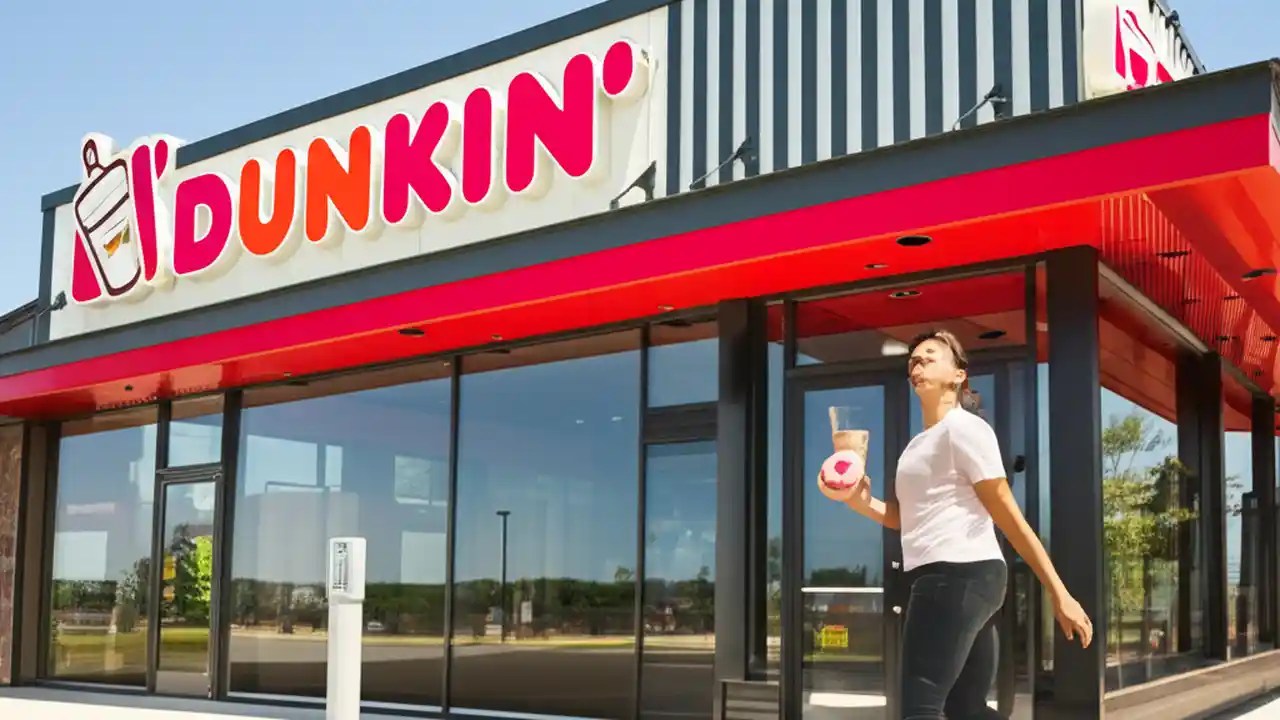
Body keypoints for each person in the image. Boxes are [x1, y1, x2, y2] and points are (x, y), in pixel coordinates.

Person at [817, 329, 1092, 720]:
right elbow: (906, 518)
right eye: (913, 360)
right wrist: (860, 502)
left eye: (929, 356)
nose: (917, 363)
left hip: (953, 577)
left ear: (959, 375)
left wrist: (1058, 592)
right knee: (965, 708)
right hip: (964, 580)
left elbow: (1005, 511)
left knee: (920, 709)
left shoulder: (965, 429)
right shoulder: (918, 444)